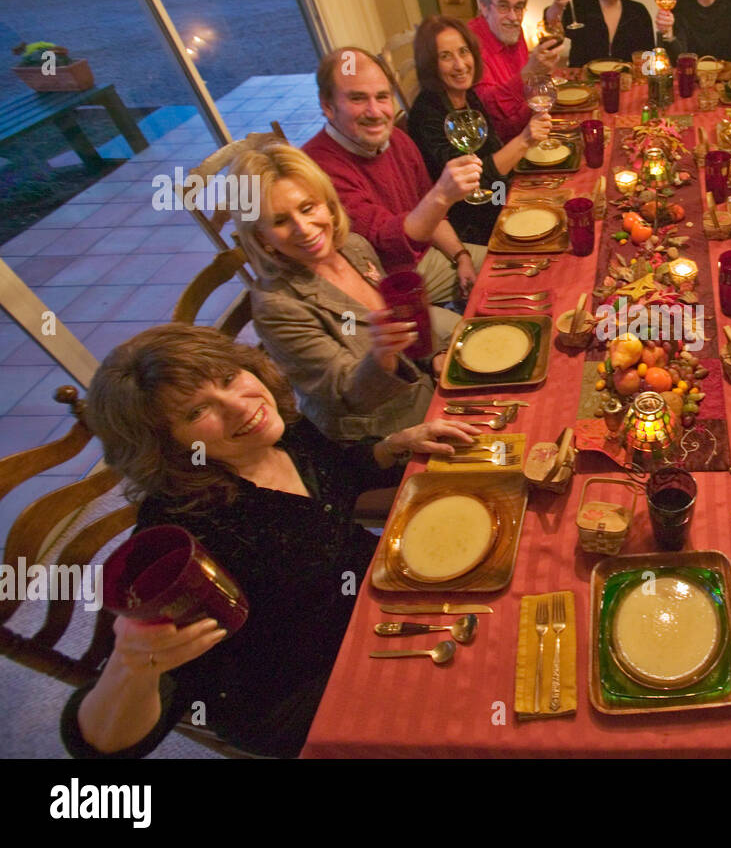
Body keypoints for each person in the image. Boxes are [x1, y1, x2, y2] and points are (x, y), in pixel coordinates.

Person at [62, 324, 480, 757]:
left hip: (379, 598)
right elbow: (99, 744)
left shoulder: (281, 432)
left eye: (229, 379)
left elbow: (337, 472)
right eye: (194, 412)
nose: (241, 407)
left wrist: (393, 445)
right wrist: (133, 666)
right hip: (307, 689)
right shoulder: (185, 539)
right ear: (166, 445)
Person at [230, 141, 456, 440]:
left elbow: (408, 323)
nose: (304, 228)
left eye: (308, 207)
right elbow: (344, 396)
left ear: (327, 202)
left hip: (427, 392)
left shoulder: (354, 246)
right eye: (281, 221)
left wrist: (435, 354)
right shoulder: (276, 307)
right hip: (382, 436)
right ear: (261, 236)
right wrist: (381, 356)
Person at [303, 47, 488, 309]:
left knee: (511, 265)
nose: (375, 111)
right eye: (357, 99)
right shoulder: (317, 170)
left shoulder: (397, 140)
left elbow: (427, 211)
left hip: (421, 261)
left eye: (382, 97)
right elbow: (388, 242)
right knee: (466, 339)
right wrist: (443, 195)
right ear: (327, 106)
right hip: (378, 295)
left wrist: (461, 256)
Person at [406, 16, 552, 246]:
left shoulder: (467, 96)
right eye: (446, 56)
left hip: (497, 200)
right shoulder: (426, 115)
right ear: (429, 64)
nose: (460, 64)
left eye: (463, 52)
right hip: (470, 226)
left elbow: (493, 155)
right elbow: (475, 185)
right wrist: (525, 140)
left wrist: (518, 197)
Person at [467, 0, 563, 141]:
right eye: (503, 6)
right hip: (503, 145)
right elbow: (488, 110)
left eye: (518, 7)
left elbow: (529, 92)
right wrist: (530, 73)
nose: (513, 17)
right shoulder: (470, 45)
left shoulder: (515, 32)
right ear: (484, 7)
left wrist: (542, 71)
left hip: (529, 128)